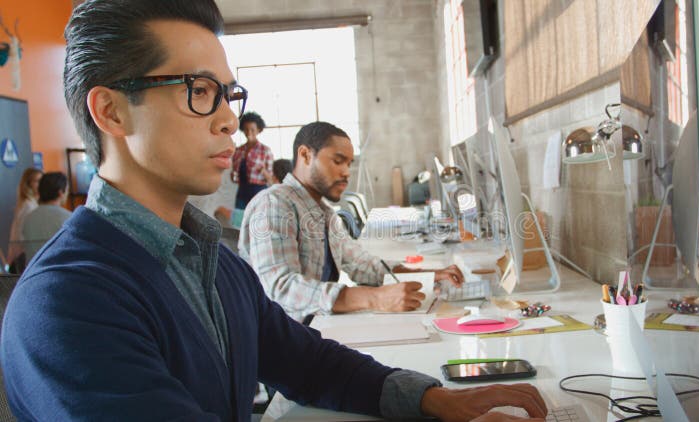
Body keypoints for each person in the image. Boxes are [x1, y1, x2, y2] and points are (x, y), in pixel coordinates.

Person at [0, 1, 547, 421]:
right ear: (111, 111)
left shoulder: (214, 261)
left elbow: (306, 360)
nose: (228, 123)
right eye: (198, 91)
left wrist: (431, 399)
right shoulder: (66, 304)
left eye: (227, 95)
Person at [239, 122, 464, 322]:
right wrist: (374, 298)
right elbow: (281, 288)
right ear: (306, 155)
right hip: (283, 348)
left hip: (315, 331)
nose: (347, 172)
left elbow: (362, 265)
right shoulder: (274, 204)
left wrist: (427, 275)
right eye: (338, 161)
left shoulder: (324, 213)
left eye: (349, 163)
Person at [21, 172, 72, 259]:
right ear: (60, 192)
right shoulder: (69, 218)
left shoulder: (28, 218)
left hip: (33, 270)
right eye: (67, 190)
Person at [231, 111, 274, 209]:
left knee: (260, 221)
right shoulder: (238, 151)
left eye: (252, 129)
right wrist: (233, 176)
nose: (249, 132)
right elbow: (234, 177)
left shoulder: (265, 150)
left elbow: (271, 179)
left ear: (258, 130)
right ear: (242, 129)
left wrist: (263, 171)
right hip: (242, 191)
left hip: (259, 192)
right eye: (246, 129)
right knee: (239, 221)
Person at [6, 167, 42, 273]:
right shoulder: (29, 207)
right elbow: (22, 238)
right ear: (29, 183)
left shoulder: (30, 204)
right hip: (22, 262)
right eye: (37, 181)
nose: (41, 184)